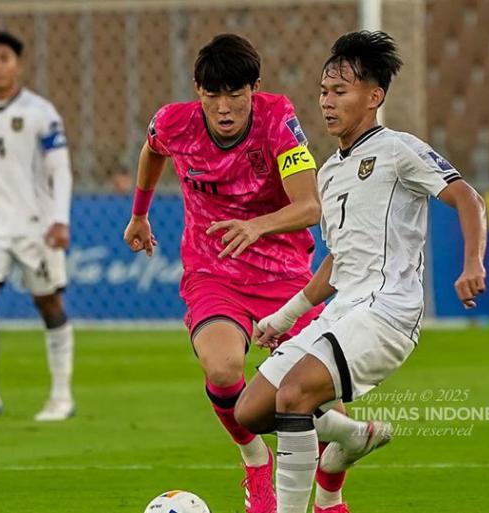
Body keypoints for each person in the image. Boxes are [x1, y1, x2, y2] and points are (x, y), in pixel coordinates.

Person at [233, 31, 487, 513]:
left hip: (388, 310)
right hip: (344, 308)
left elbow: (467, 198)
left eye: (340, 91)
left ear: (374, 97)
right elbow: (338, 260)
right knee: (250, 410)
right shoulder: (328, 172)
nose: (327, 102)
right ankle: (350, 437)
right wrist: (286, 318)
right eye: (324, 92)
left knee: (294, 395)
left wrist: (473, 261)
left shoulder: (398, 149)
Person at [123, 34, 358, 513]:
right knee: (224, 367)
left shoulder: (277, 120)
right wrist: (140, 213)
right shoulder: (174, 123)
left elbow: (309, 206)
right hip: (214, 272)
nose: (224, 107)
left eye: (236, 93)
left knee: (328, 410)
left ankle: (330, 501)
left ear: (256, 88)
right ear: (198, 91)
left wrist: (257, 226)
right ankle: (255, 461)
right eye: (213, 95)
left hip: (285, 277)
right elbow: (153, 151)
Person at [0, 29, 75, 422]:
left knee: (48, 302)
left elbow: (60, 170)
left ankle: (61, 396)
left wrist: (60, 220)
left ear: (17, 64)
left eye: (4, 58)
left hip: (36, 226)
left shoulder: (42, 113)